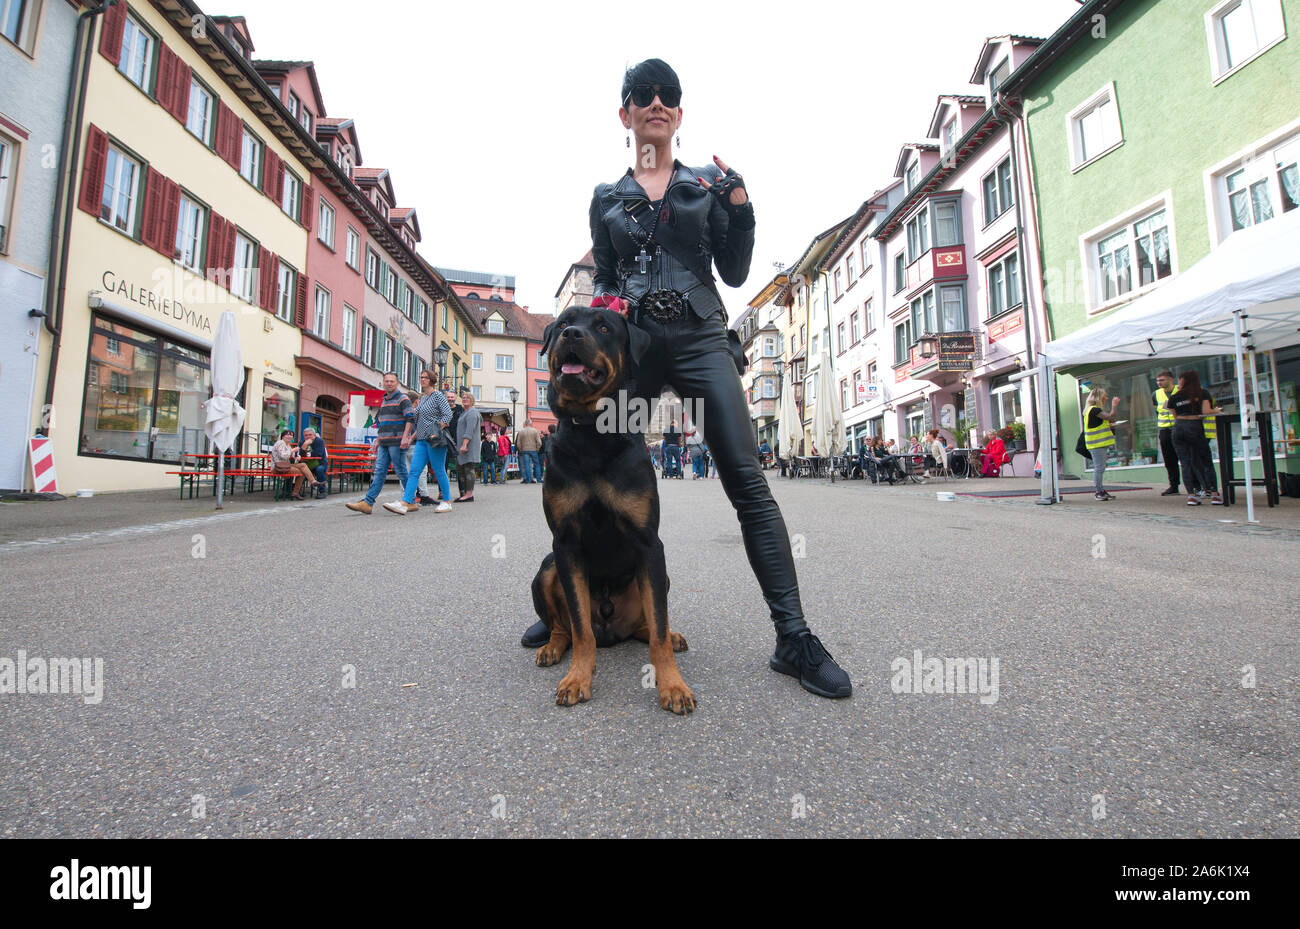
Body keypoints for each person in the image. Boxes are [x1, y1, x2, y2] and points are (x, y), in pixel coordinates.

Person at [519, 59, 849, 698]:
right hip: (636, 350)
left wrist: (741, 206)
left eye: (668, 94)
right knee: (594, 456)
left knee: (747, 480)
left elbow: (733, 268)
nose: (656, 103)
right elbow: (609, 278)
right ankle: (570, 607)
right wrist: (606, 320)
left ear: (679, 111)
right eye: (641, 95)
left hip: (700, 339)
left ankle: (793, 638)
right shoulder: (606, 198)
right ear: (625, 114)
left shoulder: (704, 184)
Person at [383, 370, 454, 515]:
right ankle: (406, 501)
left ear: (431, 380)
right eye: (421, 377)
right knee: (414, 471)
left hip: (434, 440)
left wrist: (436, 430)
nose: (422, 379)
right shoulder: (423, 398)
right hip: (421, 440)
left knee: (439, 470)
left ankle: (446, 501)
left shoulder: (438, 396)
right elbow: (420, 421)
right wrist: (411, 437)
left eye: (425, 377)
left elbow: (448, 415)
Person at [346, 372, 412, 514]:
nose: (389, 383)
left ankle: (411, 499)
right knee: (379, 471)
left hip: (396, 441)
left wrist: (405, 437)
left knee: (400, 471)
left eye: (392, 381)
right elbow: (382, 422)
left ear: (397, 383)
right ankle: (368, 503)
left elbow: (410, 418)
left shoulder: (403, 399)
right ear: (383, 383)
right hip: (384, 441)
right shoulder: (384, 400)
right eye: (387, 381)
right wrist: (377, 439)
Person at [1165, 371, 1222, 506]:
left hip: (1178, 428)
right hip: (1194, 426)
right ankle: (1214, 494)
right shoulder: (1202, 393)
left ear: (1183, 381)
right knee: (1205, 460)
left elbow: (1175, 416)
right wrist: (1217, 410)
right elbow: (1206, 411)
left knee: (1185, 462)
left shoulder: (1175, 397)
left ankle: (1192, 495)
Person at [1081, 388, 1120, 500]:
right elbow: (1110, 416)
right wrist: (1114, 405)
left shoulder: (1090, 410)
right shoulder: (1094, 410)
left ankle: (1101, 490)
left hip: (1097, 444)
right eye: (1105, 396)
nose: (1106, 398)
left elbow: (1100, 424)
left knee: (1100, 468)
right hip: (1096, 444)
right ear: (1099, 397)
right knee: (1099, 468)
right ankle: (1099, 492)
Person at [1152, 370, 1183, 496]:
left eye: (1162, 380)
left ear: (1170, 379)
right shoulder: (1156, 394)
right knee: (1169, 459)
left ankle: (1195, 485)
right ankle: (1174, 486)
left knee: (1185, 457)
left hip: (1180, 427)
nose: (1159, 383)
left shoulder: (1180, 390)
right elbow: (1156, 410)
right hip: (1164, 429)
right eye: (1158, 381)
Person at [271, 429, 322, 500]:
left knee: (303, 465)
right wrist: (292, 450)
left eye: (291, 435)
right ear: (283, 436)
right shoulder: (280, 443)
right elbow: (282, 455)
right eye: (287, 434)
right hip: (277, 467)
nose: (289, 436)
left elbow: (291, 456)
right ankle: (295, 492)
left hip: (285, 466)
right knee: (303, 472)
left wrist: (297, 456)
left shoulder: (287, 445)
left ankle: (313, 481)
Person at [454, 391, 482, 502]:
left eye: (467, 398)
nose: (465, 399)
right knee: (461, 469)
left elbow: (469, 430)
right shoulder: (464, 412)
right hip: (462, 445)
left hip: (469, 445)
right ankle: (465, 493)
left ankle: (469, 494)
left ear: (472, 400)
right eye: (463, 398)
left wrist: (465, 444)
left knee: (468, 468)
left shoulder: (472, 412)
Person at [298, 427, 329, 498]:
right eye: (306, 435)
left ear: (314, 435)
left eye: (310, 435)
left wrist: (305, 450)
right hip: (307, 465)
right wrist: (305, 445)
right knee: (299, 470)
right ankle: (297, 491)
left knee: (319, 469)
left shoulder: (319, 441)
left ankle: (322, 492)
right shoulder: (302, 442)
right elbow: (300, 454)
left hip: (320, 463)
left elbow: (318, 453)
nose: (308, 437)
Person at [516, 419, 543, 483]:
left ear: (525, 424)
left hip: (525, 450)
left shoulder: (521, 432)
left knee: (527, 465)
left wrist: (521, 449)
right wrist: (537, 449)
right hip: (533, 450)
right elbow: (539, 442)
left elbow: (518, 443)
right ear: (530, 424)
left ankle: (528, 480)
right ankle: (539, 479)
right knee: (536, 465)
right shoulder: (535, 431)